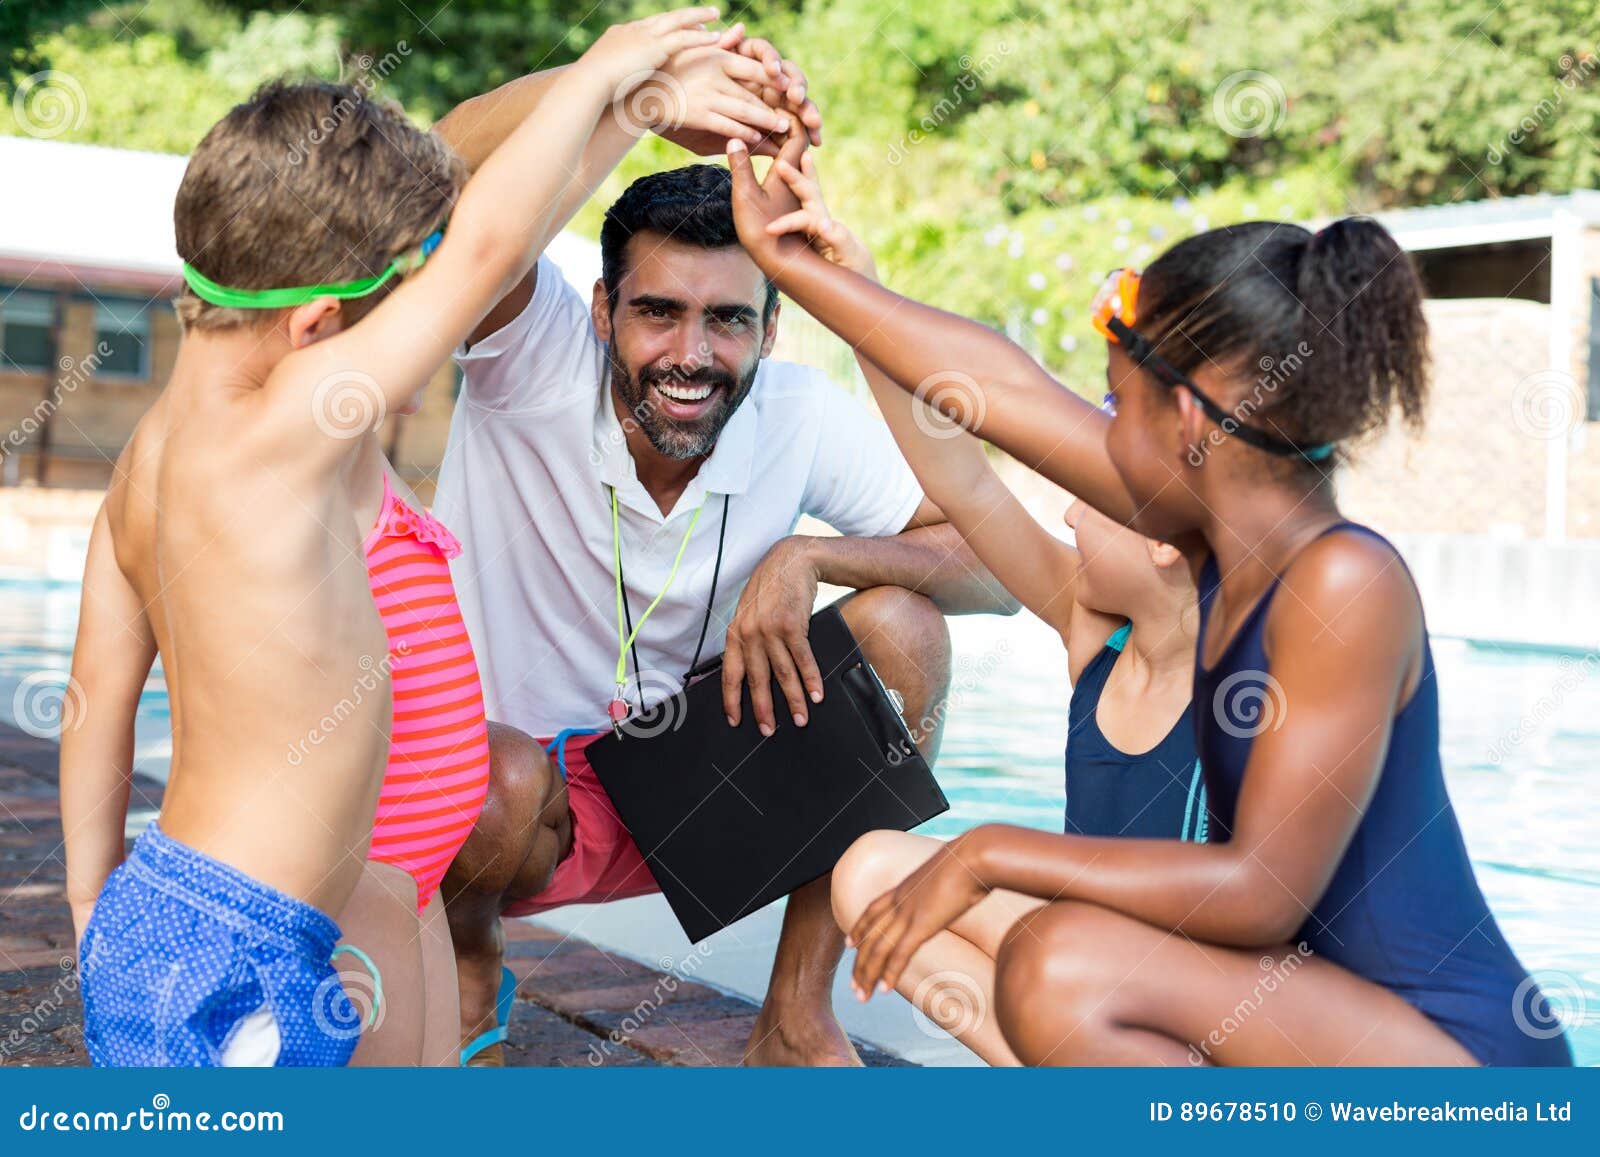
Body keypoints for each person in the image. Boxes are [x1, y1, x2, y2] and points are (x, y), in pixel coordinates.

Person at [726, 140, 1575, 1066]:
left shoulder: (1342, 580)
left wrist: (986, 852)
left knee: (1065, 964)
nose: (1098, 440)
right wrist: (792, 269)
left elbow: (1261, 891)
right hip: (1312, 1028)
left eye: (1116, 408)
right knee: (1062, 958)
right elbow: (999, 389)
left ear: (1186, 419)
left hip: (1459, 1061)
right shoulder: (1225, 537)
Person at [57, 7, 737, 1067]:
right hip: (256, 945)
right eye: (404, 290)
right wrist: (613, 70)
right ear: (323, 325)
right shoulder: (287, 430)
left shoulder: (161, 456)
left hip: (287, 907)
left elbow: (93, 700)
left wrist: (95, 903)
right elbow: (487, 248)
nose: (429, 304)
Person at [425, 103, 1015, 1060]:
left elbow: (997, 567)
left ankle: (791, 1017)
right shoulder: (528, 358)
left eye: (728, 319)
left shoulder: (798, 412)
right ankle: (470, 966)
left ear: (771, 328)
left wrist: (813, 556)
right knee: (491, 777)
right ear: (601, 307)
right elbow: (430, 184)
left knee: (903, 626)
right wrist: (626, 87)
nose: (691, 356)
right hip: (506, 802)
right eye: (658, 310)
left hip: (689, 791)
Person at [752, 152, 1205, 1065]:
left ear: (1166, 536)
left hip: (1205, 1010)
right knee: (874, 874)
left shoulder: (1249, 661)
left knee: (1069, 953)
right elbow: (958, 475)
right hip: (1089, 982)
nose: (1070, 511)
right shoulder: (1096, 634)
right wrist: (856, 293)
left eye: (1096, 502)